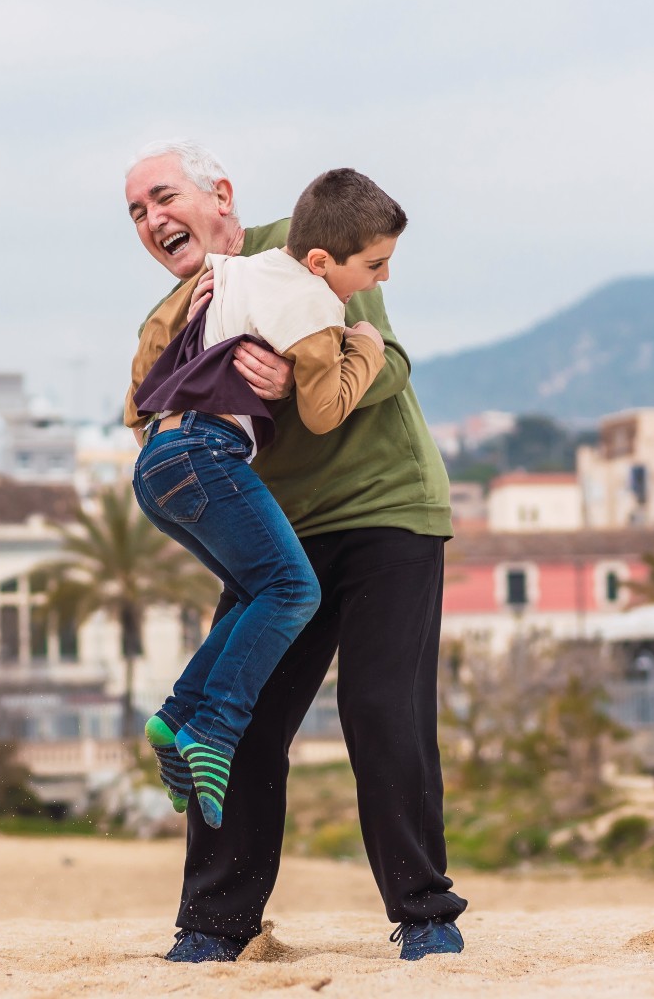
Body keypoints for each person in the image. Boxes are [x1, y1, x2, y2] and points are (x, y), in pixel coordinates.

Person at [120, 140, 467, 963]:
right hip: (282, 535)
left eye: (164, 197)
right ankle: (213, 927)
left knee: (382, 711)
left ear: (220, 196)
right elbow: (146, 416)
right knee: (242, 714)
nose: (153, 219)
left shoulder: (309, 243)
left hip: (386, 510)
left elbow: (391, 361)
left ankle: (424, 914)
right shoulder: (175, 309)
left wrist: (298, 378)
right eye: (136, 212)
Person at [126, 168, 398, 830]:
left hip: (158, 461)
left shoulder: (231, 273)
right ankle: (212, 730)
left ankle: (176, 716)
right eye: (374, 266)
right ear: (321, 261)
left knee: (257, 591)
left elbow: (139, 398)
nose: (381, 280)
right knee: (294, 591)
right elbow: (326, 411)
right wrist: (363, 346)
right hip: (206, 451)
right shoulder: (313, 304)